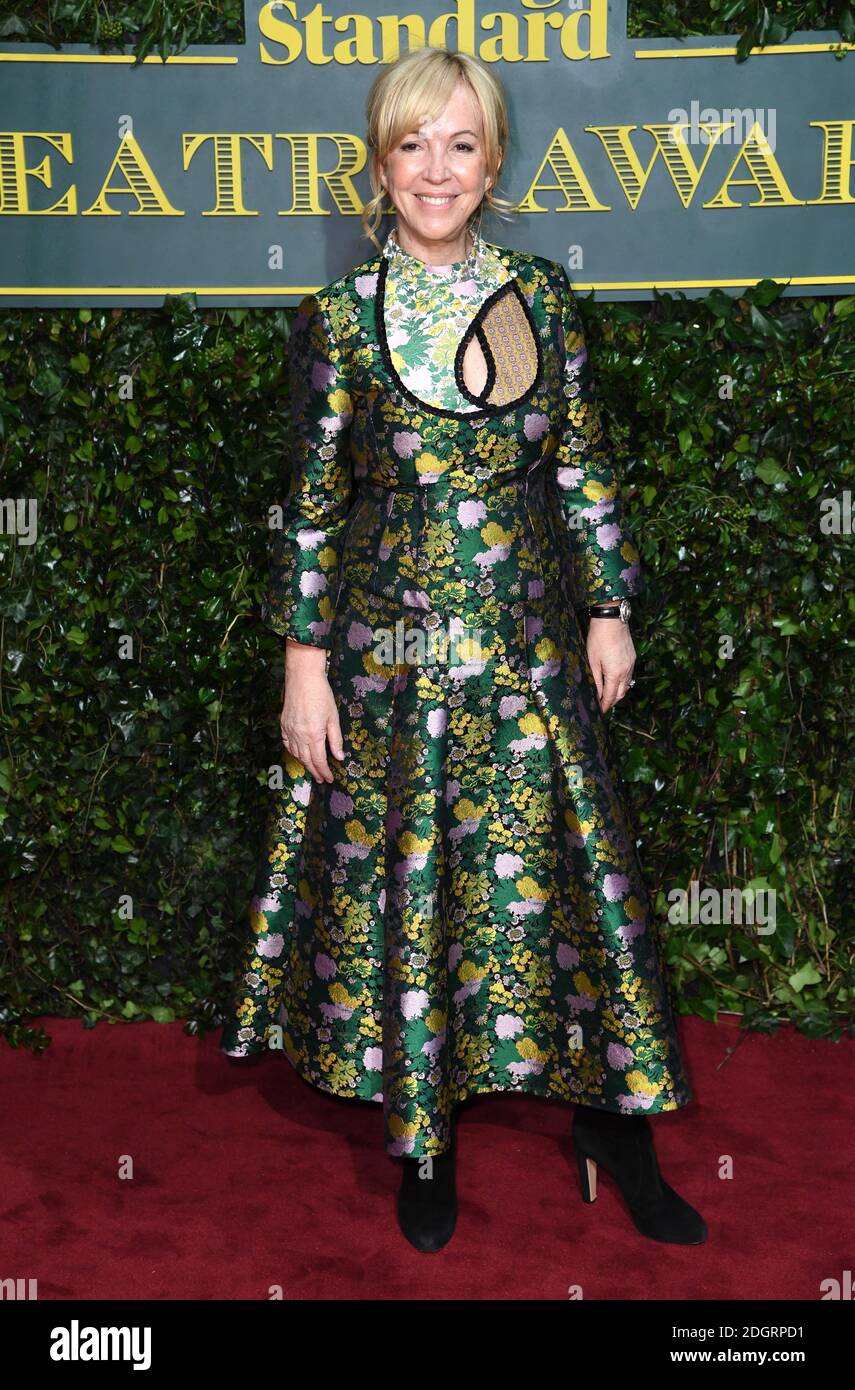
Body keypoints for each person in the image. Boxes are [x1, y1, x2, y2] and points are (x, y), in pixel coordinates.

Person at [220, 45, 707, 1255]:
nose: (435, 169)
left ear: (493, 164)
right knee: (423, 890)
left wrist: (610, 606)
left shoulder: (542, 296)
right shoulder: (337, 316)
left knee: (580, 890)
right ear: (378, 166)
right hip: (393, 661)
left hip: (535, 649)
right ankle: (426, 1138)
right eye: (410, 144)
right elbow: (317, 504)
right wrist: (302, 667)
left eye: (461, 144)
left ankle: (615, 1126)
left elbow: (582, 463)